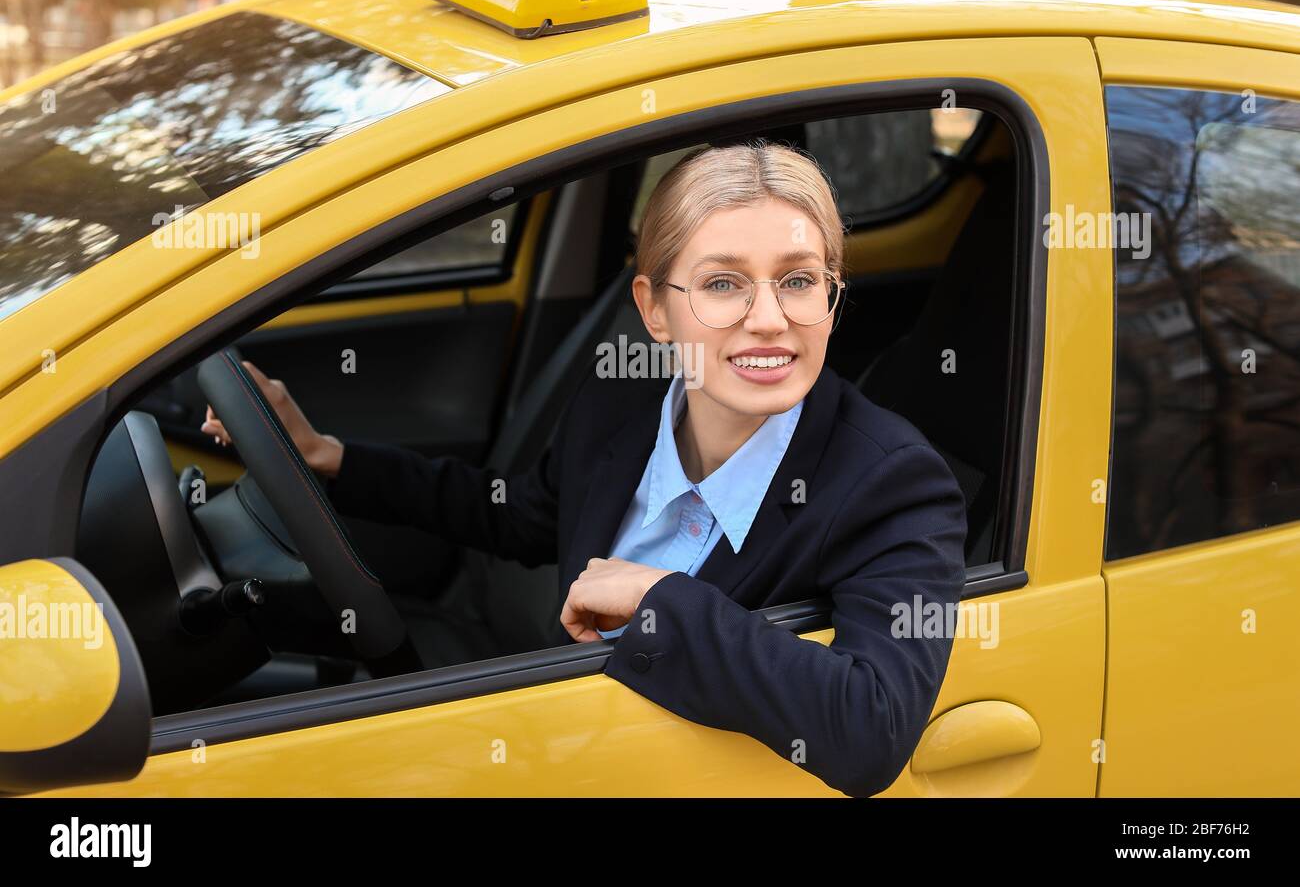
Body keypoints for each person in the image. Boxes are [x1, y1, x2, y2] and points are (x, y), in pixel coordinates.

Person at [202, 141, 968, 797]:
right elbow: (519, 515)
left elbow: (871, 727)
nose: (768, 318)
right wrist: (331, 460)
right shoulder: (618, 402)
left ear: (832, 301)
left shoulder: (893, 485)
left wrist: (658, 597)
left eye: (799, 280)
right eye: (724, 284)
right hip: (555, 747)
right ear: (655, 309)